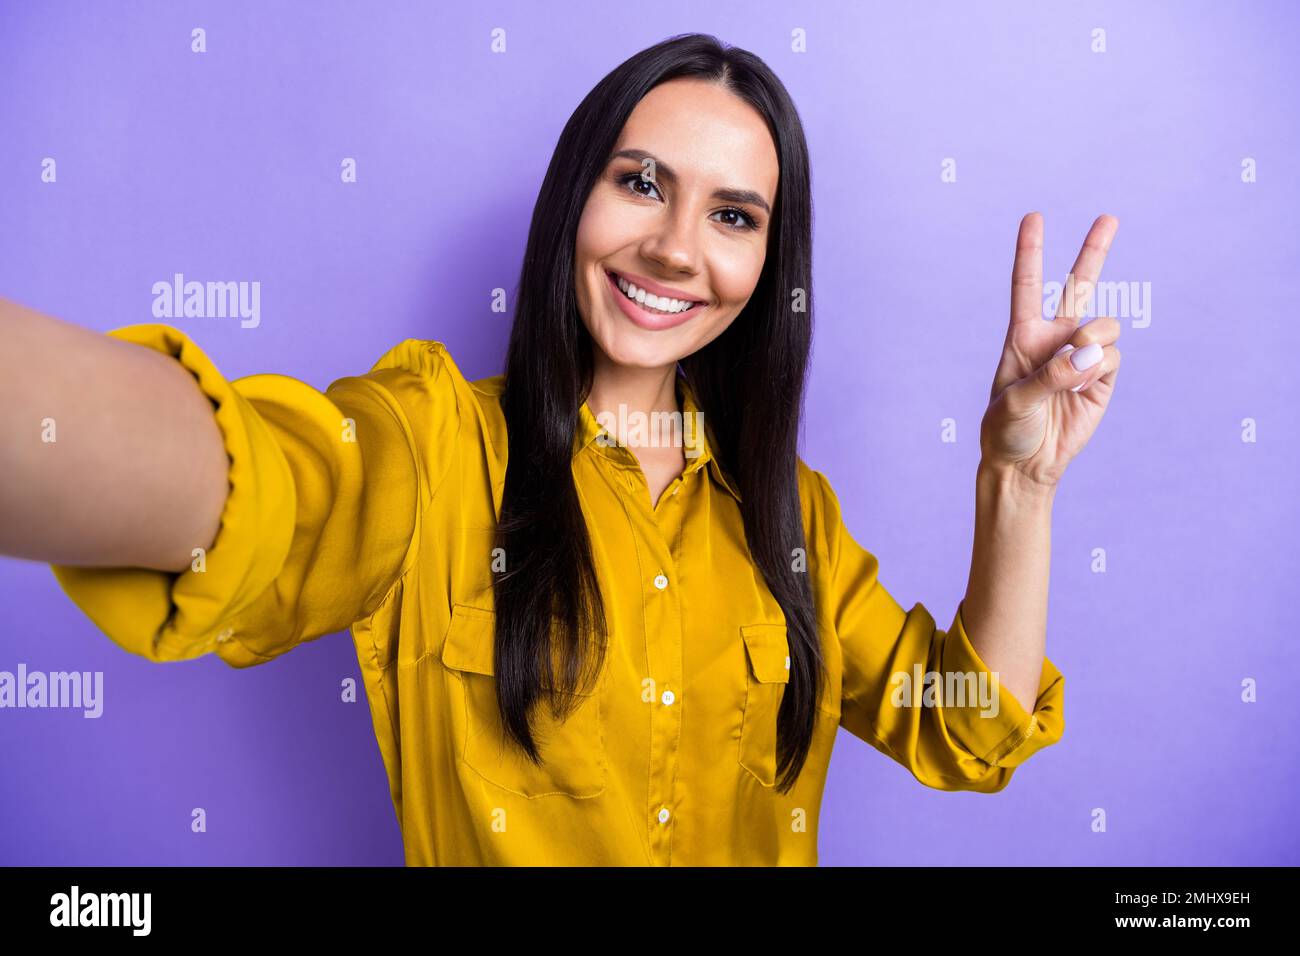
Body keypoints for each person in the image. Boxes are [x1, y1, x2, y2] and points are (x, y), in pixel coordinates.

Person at [0, 32, 1121, 866]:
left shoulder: (793, 519)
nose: (676, 248)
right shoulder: (436, 444)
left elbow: (968, 728)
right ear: (572, 197)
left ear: (770, 265)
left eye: (733, 216)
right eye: (640, 183)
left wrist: (1018, 478)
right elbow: (256, 482)